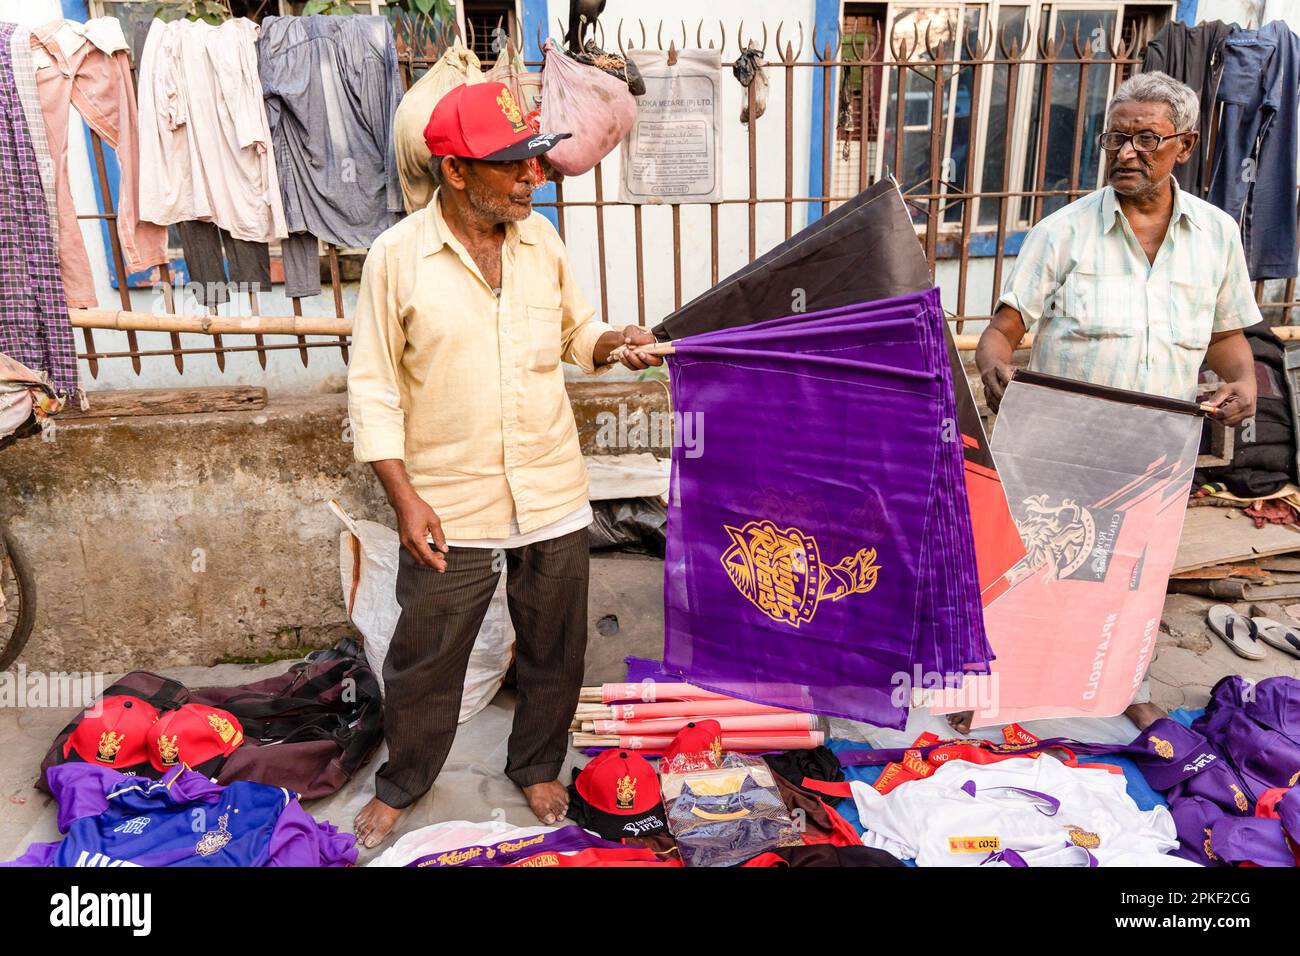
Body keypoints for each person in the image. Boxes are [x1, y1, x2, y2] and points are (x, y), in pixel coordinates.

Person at [346, 82, 661, 848]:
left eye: (536, 162)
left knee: (555, 646)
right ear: (456, 172)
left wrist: (612, 341)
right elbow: (375, 389)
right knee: (427, 655)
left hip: (551, 486)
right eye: (514, 165)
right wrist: (403, 498)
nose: (535, 178)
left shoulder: (541, 244)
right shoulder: (397, 261)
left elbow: (575, 332)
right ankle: (404, 781)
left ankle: (538, 765)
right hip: (449, 500)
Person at [971, 71, 1262, 734]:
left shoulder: (1216, 235)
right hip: (1061, 441)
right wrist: (996, 367)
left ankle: (1123, 686)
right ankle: (996, 685)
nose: (1127, 152)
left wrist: (1243, 384)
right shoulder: (1064, 232)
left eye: (1147, 140)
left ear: (1182, 146)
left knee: (1134, 580)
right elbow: (1002, 330)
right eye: (1118, 137)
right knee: (1033, 570)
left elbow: (1226, 338)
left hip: (1155, 448)